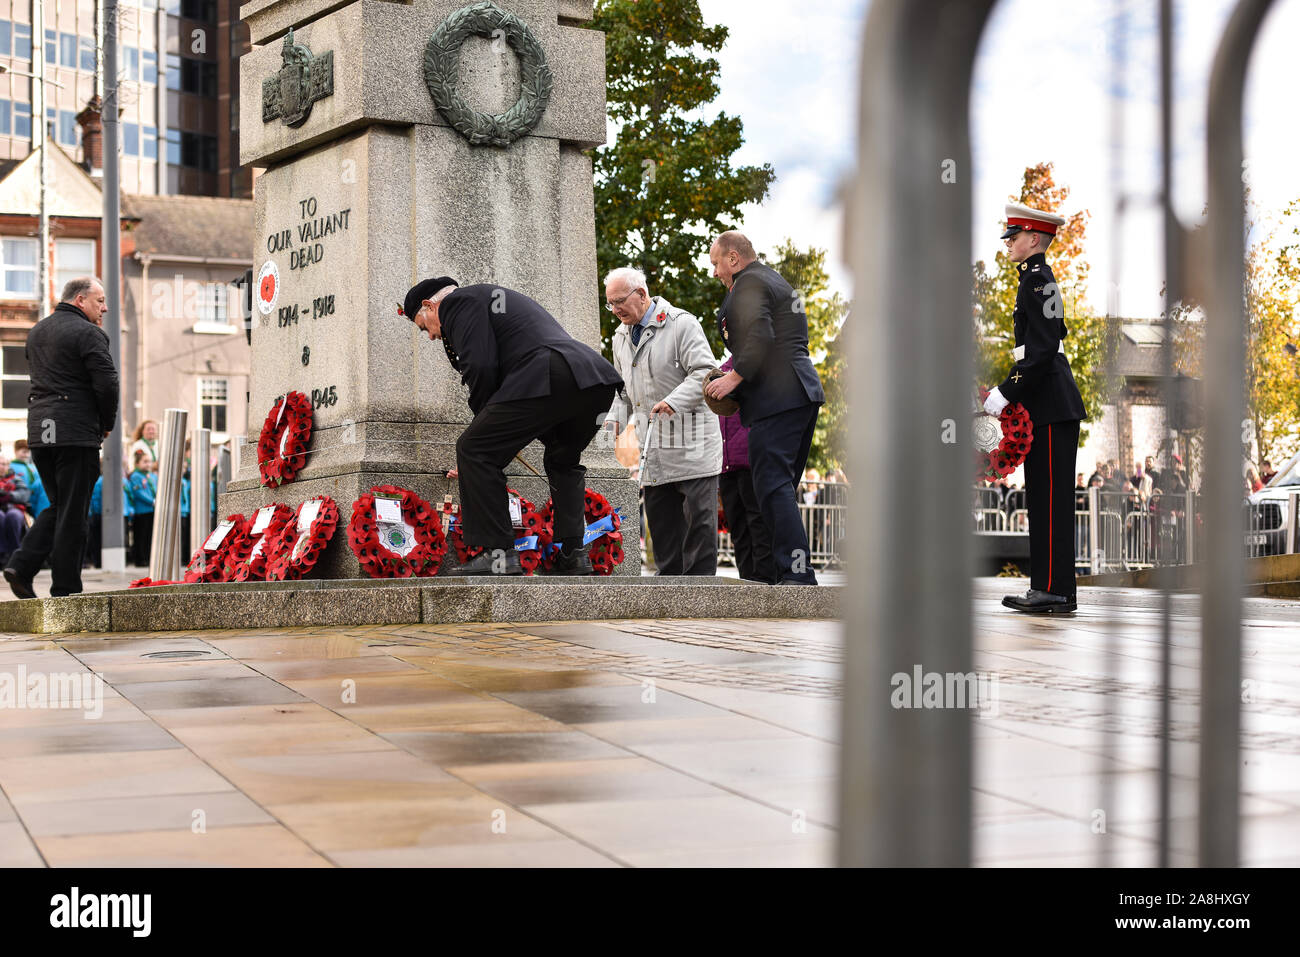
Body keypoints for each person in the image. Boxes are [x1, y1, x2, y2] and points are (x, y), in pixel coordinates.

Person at [404, 276, 622, 575]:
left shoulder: (457, 302)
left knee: (474, 449)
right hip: (592, 380)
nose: (429, 336)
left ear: (429, 305)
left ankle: (499, 556)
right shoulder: (490, 299)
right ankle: (574, 554)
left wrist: (483, 432)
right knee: (562, 459)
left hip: (550, 373)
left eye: (422, 325)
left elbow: (481, 365)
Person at [704, 230, 825, 586]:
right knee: (780, 487)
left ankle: (797, 575)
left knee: (771, 486)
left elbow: (760, 335)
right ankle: (787, 572)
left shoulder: (749, 283)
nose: (714, 273)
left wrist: (732, 378)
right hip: (799, 394)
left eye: (716, 264)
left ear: (733, 258)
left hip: (778, 398)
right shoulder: (774, 280)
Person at [983, 203, 1086, 614]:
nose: (1008, 244)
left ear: (1034, 239)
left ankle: (1054, 589)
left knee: (1050, 501)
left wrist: (1008, 391)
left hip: (1051, 404)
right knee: (1044, 500)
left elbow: (1043, 350)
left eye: (1014, 237)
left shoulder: (1039, 281)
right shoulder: (1035, 281)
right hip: (1046, 404)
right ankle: (1048, 587)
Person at [4, 277, 118, 599]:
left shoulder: (37, 331)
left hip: (41, 430)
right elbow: (107, 382)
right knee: (73, 511)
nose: (104, 308)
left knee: (61, 506)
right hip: (75, 431)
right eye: (100, 301)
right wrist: (105, 423)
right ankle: (65, 590)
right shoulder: (89, 333)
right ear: (80, 300)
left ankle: (22, 567)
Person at [604, 266, 722, 576]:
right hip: (653, 447)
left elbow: (704, 372)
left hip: (692, 444)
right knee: (663, 527)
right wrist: (613, 422)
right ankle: (668, 596)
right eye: (610, 304)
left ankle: (699, 595)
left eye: (619, 302)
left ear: (641, 294)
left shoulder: (682, 325)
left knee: (699, 523)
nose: (615, 310)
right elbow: (623, 391)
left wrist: (673, 400)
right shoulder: (619, 337)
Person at [716, 354, 776, 583]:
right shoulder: (721, 370)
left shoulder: (755, 367)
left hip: (751, 459)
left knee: (757, 522)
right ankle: (746, 579)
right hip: (727, 463)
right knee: (738, 528)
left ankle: (764, 578)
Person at [127, 450, 156, 567]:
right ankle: (140, 559)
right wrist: (152, 501)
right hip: (141, 511)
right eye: (145, 462)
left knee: (149, 535)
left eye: (149, 462)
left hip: (152, 511)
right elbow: (139, 492)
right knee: (140, 536)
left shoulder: (151, 476)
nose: (148, 464)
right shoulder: (135, 476)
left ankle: (148, 557)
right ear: (137, 463)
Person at [0, 455, 30, 567]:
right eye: (0, 464)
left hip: (15, 508)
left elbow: (25, 494)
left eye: (5, 464)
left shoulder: (15, 478)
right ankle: (2, 553)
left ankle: (14, 553)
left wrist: (10, 495)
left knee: (13, 516)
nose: (2, 467)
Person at [11, 440, 50, 517]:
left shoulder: (32, 467)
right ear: (15, 451)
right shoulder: (11, 467)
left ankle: (43, 516)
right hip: (22, 496)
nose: (27, 455)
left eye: (28, 452)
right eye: (24, 452)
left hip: (35, 497)